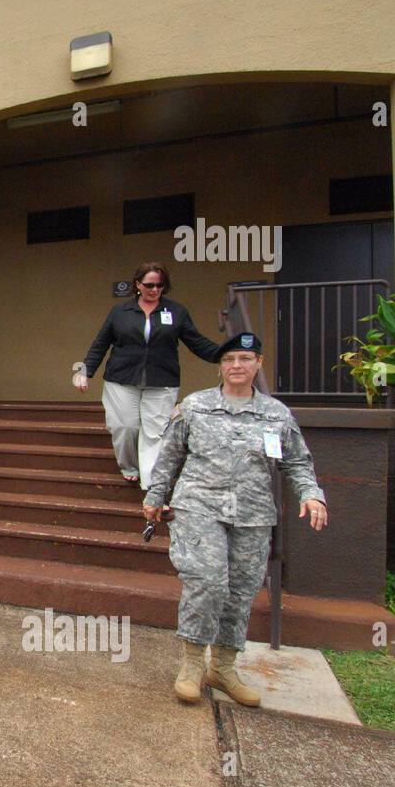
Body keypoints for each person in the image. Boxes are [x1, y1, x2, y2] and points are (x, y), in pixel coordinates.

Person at [143, 333, 329, 706]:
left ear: (258, 363)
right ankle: (192, 666)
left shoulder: (276, 414)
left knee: (240, 592)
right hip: (199, 507)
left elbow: (296, 461)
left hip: (252, 514)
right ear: (220, 366)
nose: (237, 366)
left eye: (245, 359)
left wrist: (311, 494)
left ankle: (223, 669)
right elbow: (169, 456)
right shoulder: (195, 406)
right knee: (208, 583)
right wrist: (155, 496)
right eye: (229, 360)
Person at [75, 264, 221, 489]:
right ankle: (129, 465)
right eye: (149, 285)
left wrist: (225, 355)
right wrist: (84, 371)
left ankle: (152, 484)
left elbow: (197, 342)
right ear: (138, 285)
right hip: (121, 379)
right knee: (124, 426)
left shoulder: (176, 312)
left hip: (161, 380)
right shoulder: (120, 312)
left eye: (160, 285)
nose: (155, 289)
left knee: (154, 432)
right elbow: (100, 344)